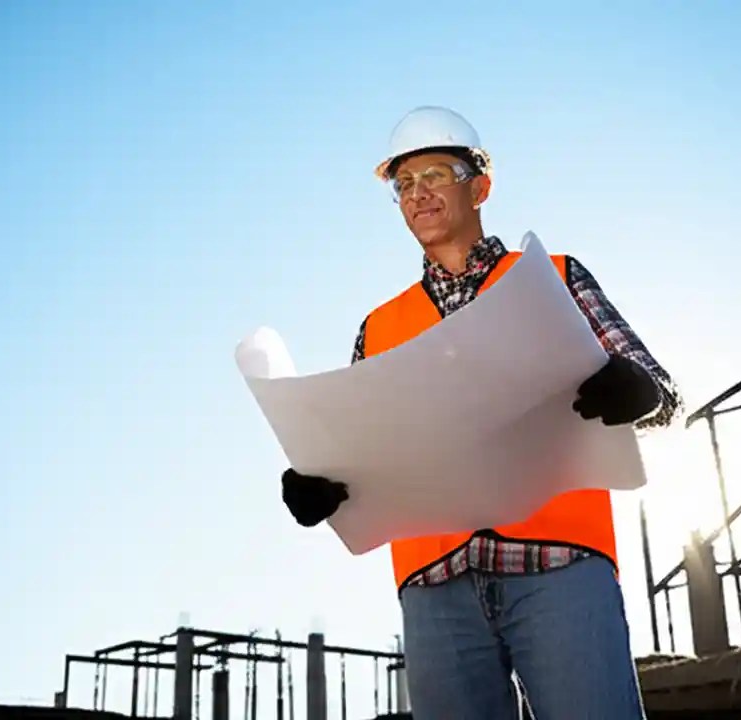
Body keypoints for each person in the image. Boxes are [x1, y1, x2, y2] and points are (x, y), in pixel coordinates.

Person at [280, 106, 681, 719]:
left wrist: (641, 392)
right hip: (434, 589)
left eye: (435, 175)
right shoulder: (379, 327)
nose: (418, 194)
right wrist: (319, 483)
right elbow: (360, 449)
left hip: (559, 566)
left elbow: (660, 392)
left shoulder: (552, 279)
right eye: (404, 184)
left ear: (480, 187)